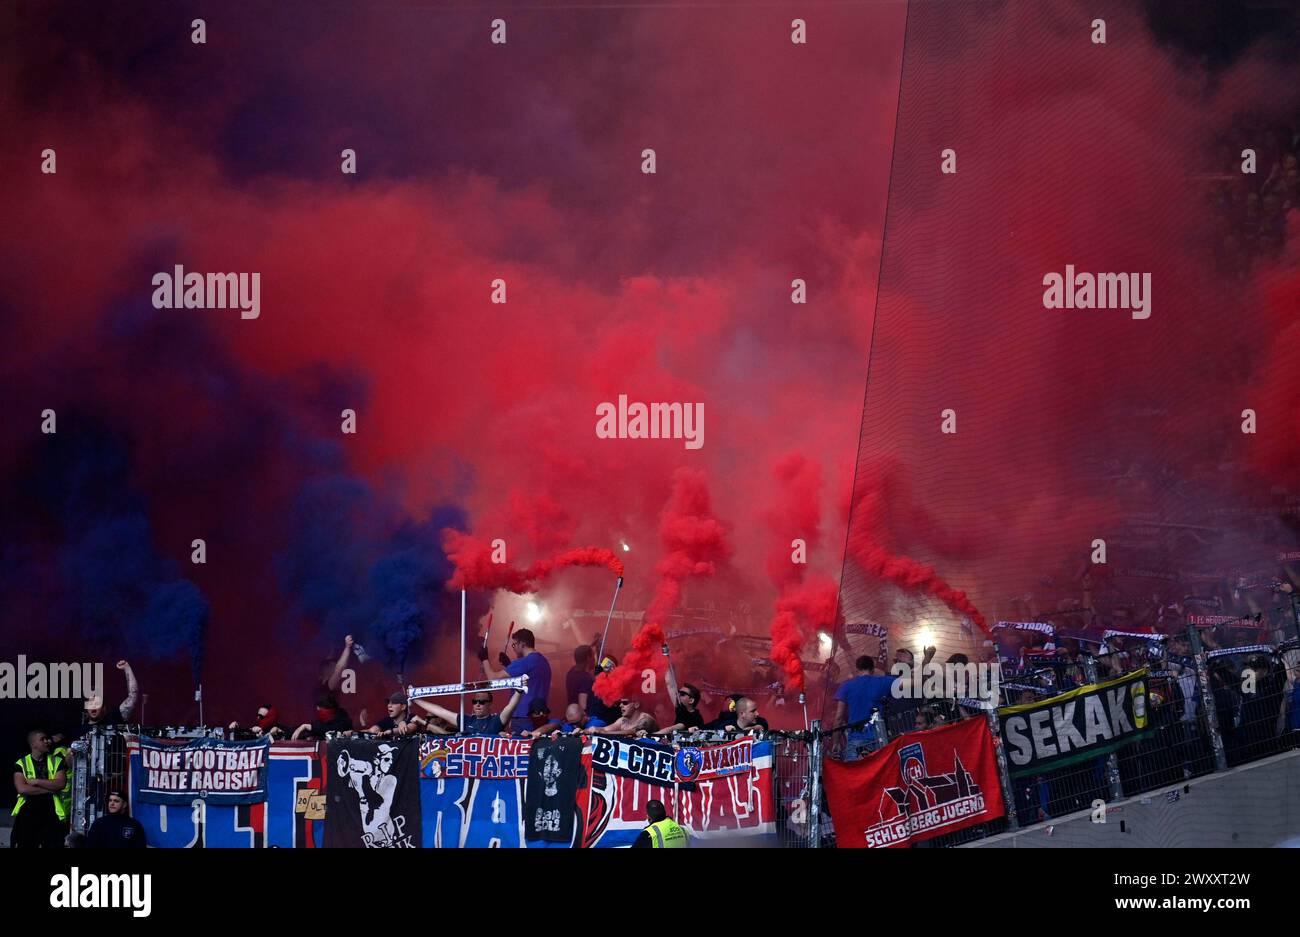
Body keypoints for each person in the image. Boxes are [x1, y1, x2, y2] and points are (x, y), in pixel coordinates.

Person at [480, 628, 552, 734]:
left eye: (514, 645)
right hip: (540, 716)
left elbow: (492, 678)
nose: (513, 648)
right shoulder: (544, 662)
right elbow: (529, 680)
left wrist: (484, 659)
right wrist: (508, 665)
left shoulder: (524, 662)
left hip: (522, 716)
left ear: (522, 644)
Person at [12, 730, 68, 848]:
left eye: (47, 738)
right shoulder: (21, 763)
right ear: (33, 744)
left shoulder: (57, 761)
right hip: (28, 814)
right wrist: (49, 789)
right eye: (42, 739)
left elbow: (60, 784)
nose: (47, 741)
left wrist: (36, 781)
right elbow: (22, 789)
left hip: (51, 813)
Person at [834, 655, 895, 759]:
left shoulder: (846, 686)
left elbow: (839, 718)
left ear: (857, 668)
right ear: (872, 668)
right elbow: (911, 683)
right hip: (879, 739)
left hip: (856, 740)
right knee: (881, 768)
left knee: (856, 769)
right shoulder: (883, 682)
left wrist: (836, 742)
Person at [414, 689, 521, 735]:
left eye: (482, 702)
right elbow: (441, 711)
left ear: (490, 705)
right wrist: (415, 699)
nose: (478, 704)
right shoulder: (467, 720)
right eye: (475, 701)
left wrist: (519, 691)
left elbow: (510, 707)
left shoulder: (496, 721)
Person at [83, 660, 139, 727]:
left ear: (103, 708)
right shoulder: (80, 729)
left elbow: (132, 696)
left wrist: (127, 668)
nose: (93, 706)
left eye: (97, 703)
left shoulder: (113, 718)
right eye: (90, 703)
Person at [586, 698, 658, 736]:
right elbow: (604, 729)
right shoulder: (623, 720)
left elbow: (632, 732)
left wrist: (603, 733)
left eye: (625, 703)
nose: (621, 705)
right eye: (620, 703)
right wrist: (586, 731)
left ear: (636, 704)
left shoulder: (646, 719)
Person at [526, 703, 607, 737]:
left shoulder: (597, 722)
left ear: (584, 715)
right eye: (572, 723)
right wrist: (533, 733)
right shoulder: (570, 725)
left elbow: (591, 730)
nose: (575, 726)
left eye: (577, 723)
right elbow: (552, 726)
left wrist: (581, 732)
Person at [566, 645, 596, 713]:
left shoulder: (571, 671)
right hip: (582, 717)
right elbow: (583, 706)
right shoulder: (585, 679)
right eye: (593, 656)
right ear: (588, 658)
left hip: (572, 714)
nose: (594, 659)